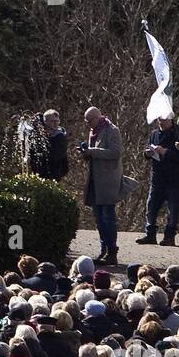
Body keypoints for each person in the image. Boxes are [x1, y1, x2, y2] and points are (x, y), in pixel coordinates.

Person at [79, 106, 124, 266]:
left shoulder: (112, 130)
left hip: (108, 181)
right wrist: (86, 153)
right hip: (95, 180)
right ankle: (104, 248)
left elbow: (115, 152)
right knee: (99, 218)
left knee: (108, 217)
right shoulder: (94, 131)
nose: (87, 124)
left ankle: (112, 251)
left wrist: (93, 151)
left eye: (89, 120)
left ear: (97, 117)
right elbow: (94, 154)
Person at [138, 113, 179, 246]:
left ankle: (169, 236)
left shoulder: (178, 135)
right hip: (157, 177)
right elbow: (148, 149)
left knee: (173, 209)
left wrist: (165, 152)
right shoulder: (154, 134)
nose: (160, 122)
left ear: (170, 120)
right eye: (158, 119)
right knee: (151, 206)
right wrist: (147, 153)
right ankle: (150, 234)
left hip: (172, 178)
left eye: (163, 119)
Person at [30, 110, 68, 180]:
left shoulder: (59, 136)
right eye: (52, 121)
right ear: (45, 122)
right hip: (41, 173)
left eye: (57, 121)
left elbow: (55, 158)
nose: (55, 123)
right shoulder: (41, 134)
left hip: (54, 173)